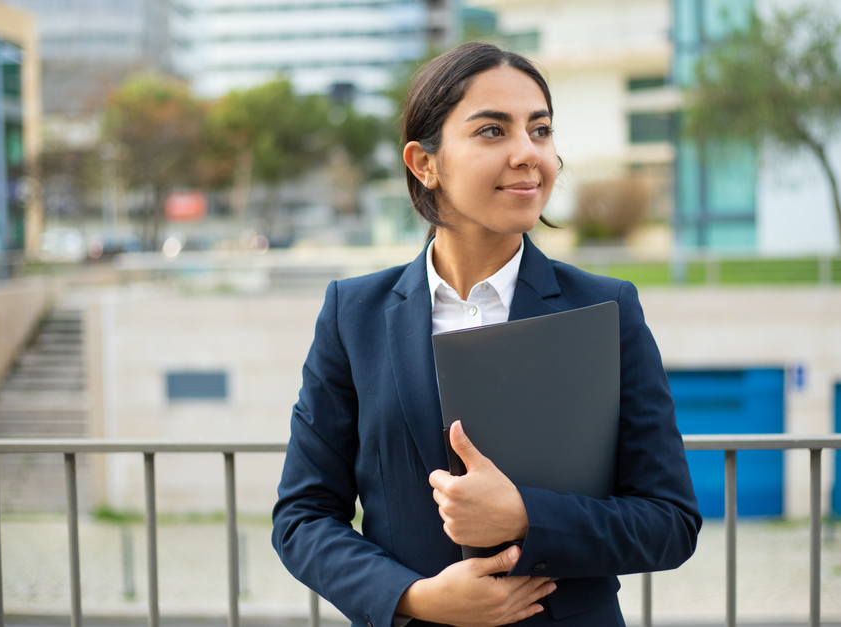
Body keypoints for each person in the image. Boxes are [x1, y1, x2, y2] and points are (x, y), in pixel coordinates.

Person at [272, 42, 701, 627]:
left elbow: (669, 521)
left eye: (541, 129)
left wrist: (527, 516)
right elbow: (302, 516)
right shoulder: (354, 314)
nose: (529, 154)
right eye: (493, 132)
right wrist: (414, 597)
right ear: (425, 164)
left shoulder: (607, 308)